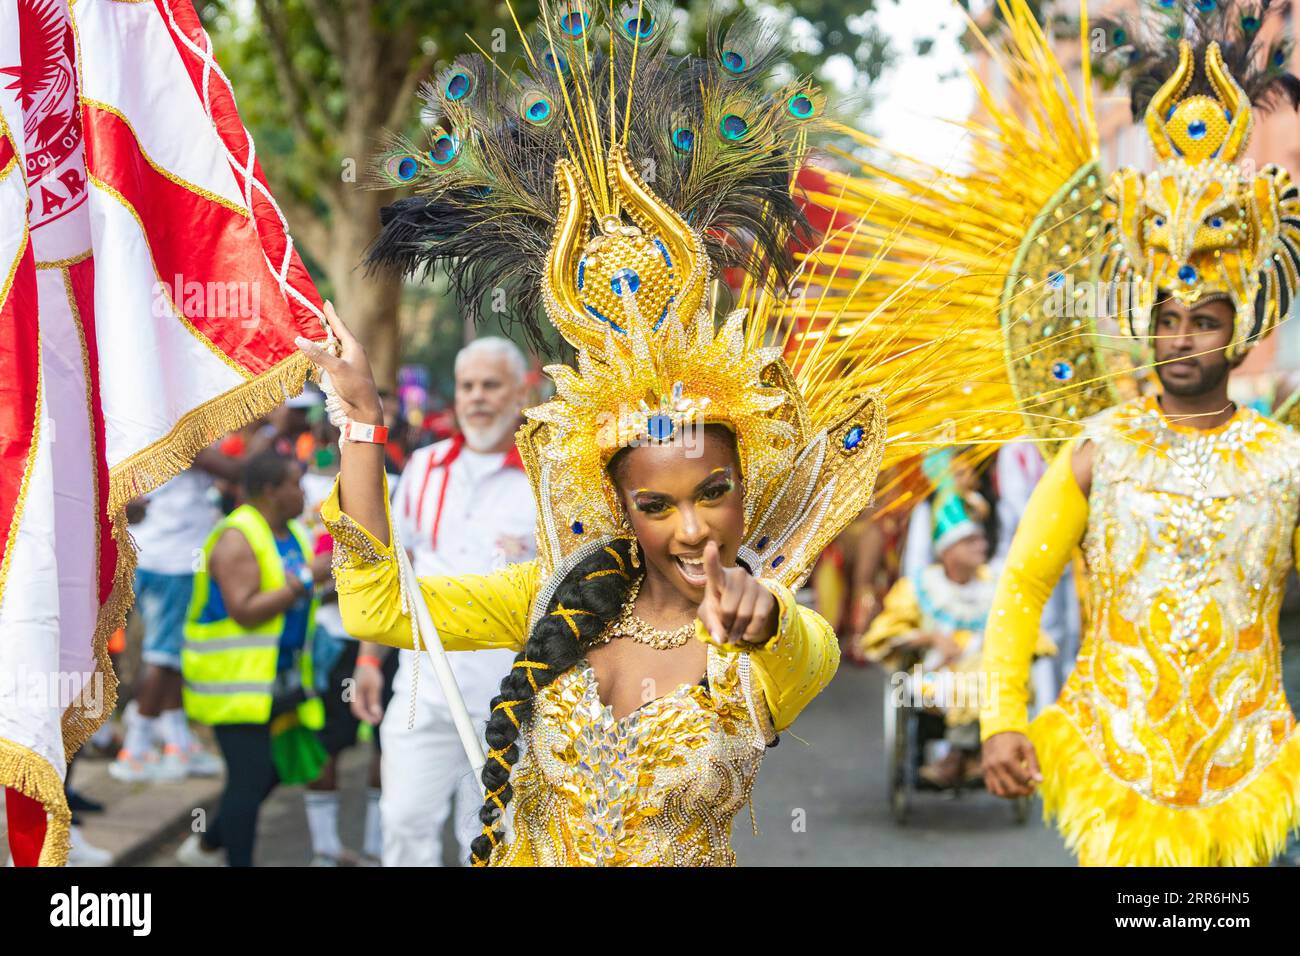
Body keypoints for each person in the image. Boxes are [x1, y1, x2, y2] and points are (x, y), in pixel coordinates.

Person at [290, 4, 959, 866]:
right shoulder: (550, 596)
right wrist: (360, 423)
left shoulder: (777, 633)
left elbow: (791, 657)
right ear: (620, 504)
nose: (690, 528)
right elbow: (376, 605)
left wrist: (762, 628)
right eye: (657, 503)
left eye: (713, 493)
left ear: (748, 480)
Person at [978, 22, 1300, 864]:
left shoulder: (1287, 462)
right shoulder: (1097, 450)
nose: (1182, 338)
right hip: (1114, 766)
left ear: (1244, 328)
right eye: (1167, 319)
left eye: (1204, 320)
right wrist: (1001, 718)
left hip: (1250, 770)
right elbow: (1021, 589)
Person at [353, 337, 536, 866]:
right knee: (403, 823)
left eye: (491, 385)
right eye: (467, 386)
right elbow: (392, 575)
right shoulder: (424, 468)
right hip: (423, 692)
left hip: (513, 700)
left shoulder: (547, 478)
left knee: (489, 839)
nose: (477, 397)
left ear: (520, 392)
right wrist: (368, 660)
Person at [175, 451, 332, 866]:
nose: (302, 492)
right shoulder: (237, 536)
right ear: (270, 491)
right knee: (247, 780)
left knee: (272, 770)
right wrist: (308, 578)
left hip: (279, 679)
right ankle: (230, 857)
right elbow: (245, 610)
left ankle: (207, 844)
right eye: (294, 484)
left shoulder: (291, 532)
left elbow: (301, 594)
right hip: (237, 685)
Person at [111, 447, 239, 782]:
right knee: (164, 657)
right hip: (173, 562)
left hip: (158, 554)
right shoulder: (179, 429)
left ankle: (178, 744)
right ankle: (135, 750)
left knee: (169, 656)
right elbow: (235, 470)